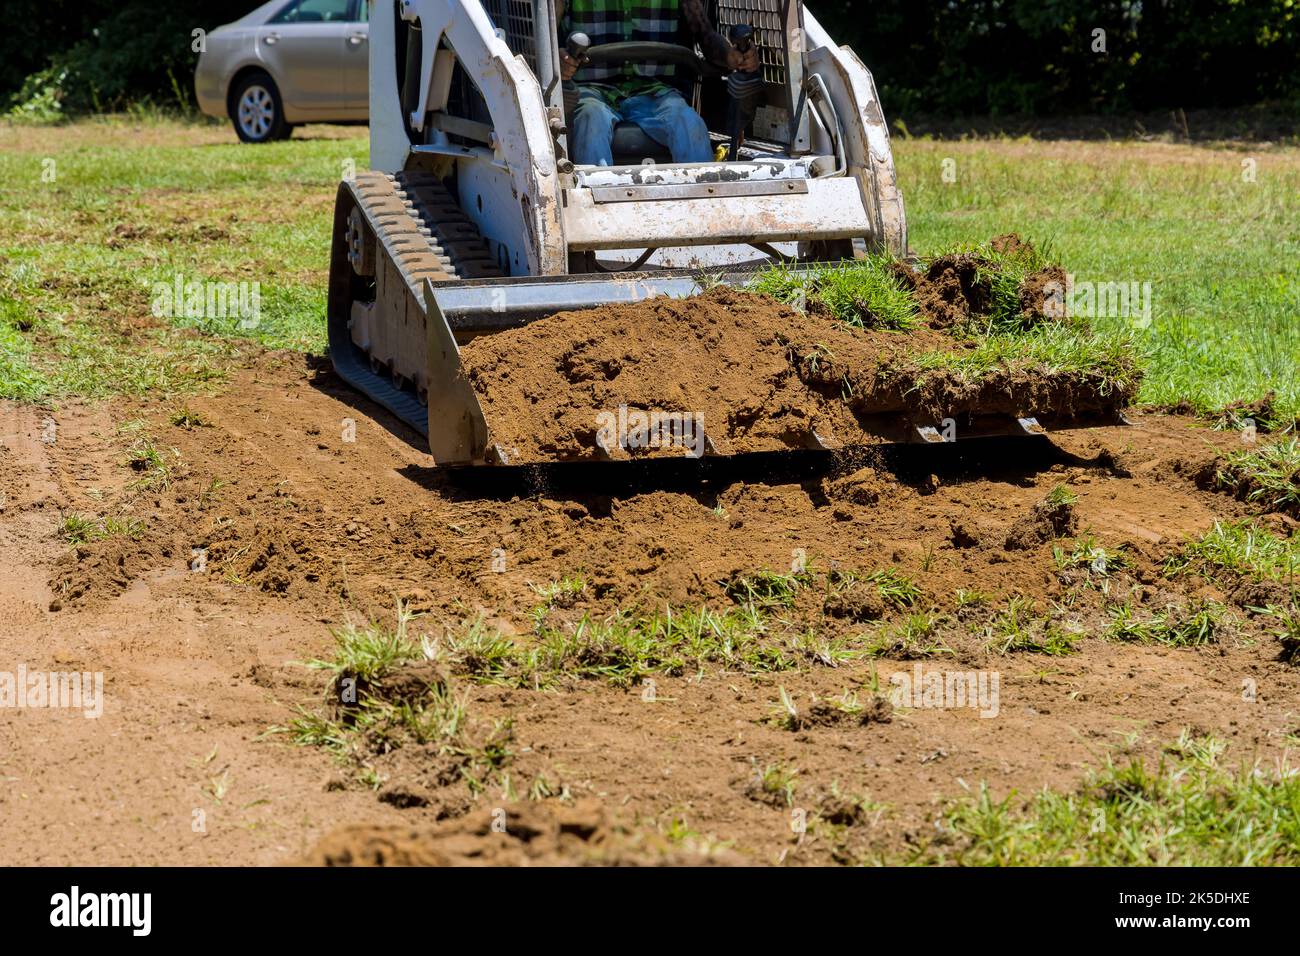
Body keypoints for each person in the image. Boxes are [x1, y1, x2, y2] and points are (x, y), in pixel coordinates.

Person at [557, 0, 760, 166]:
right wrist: (560, 59)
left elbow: (706, 37)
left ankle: (704, 203)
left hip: (655, 91)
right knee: (591, 119)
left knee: (689, 123)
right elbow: (542, 41)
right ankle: (594, 202)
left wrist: (730, 56)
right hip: (592, 90)